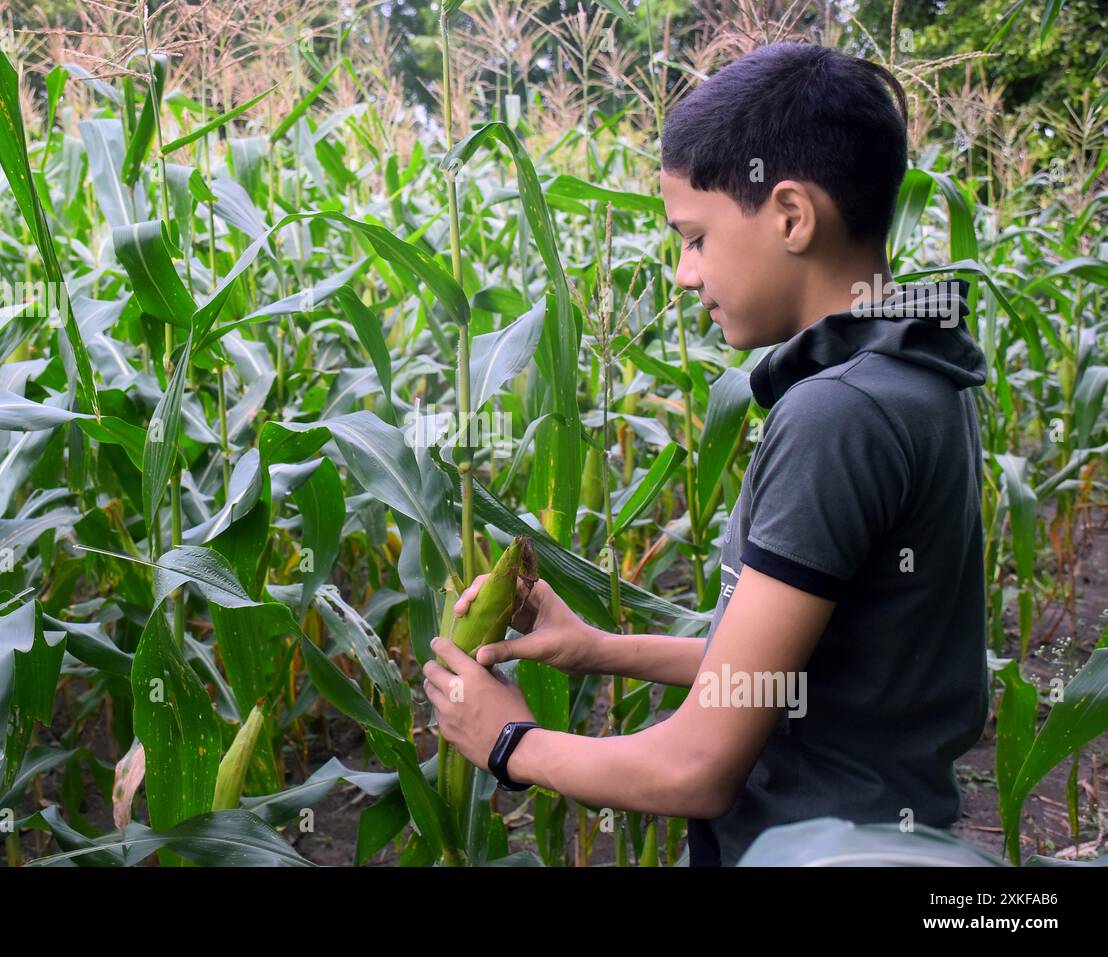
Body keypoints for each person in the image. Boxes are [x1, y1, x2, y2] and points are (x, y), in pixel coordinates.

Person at [421, 40, 990, 867]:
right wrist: (598, 648)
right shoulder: (915, 374)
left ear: (792, 216)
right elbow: (804, 670)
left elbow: (699, 767)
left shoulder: (838, 413)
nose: (685, 274)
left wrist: (510, 740)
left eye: (694, 237)